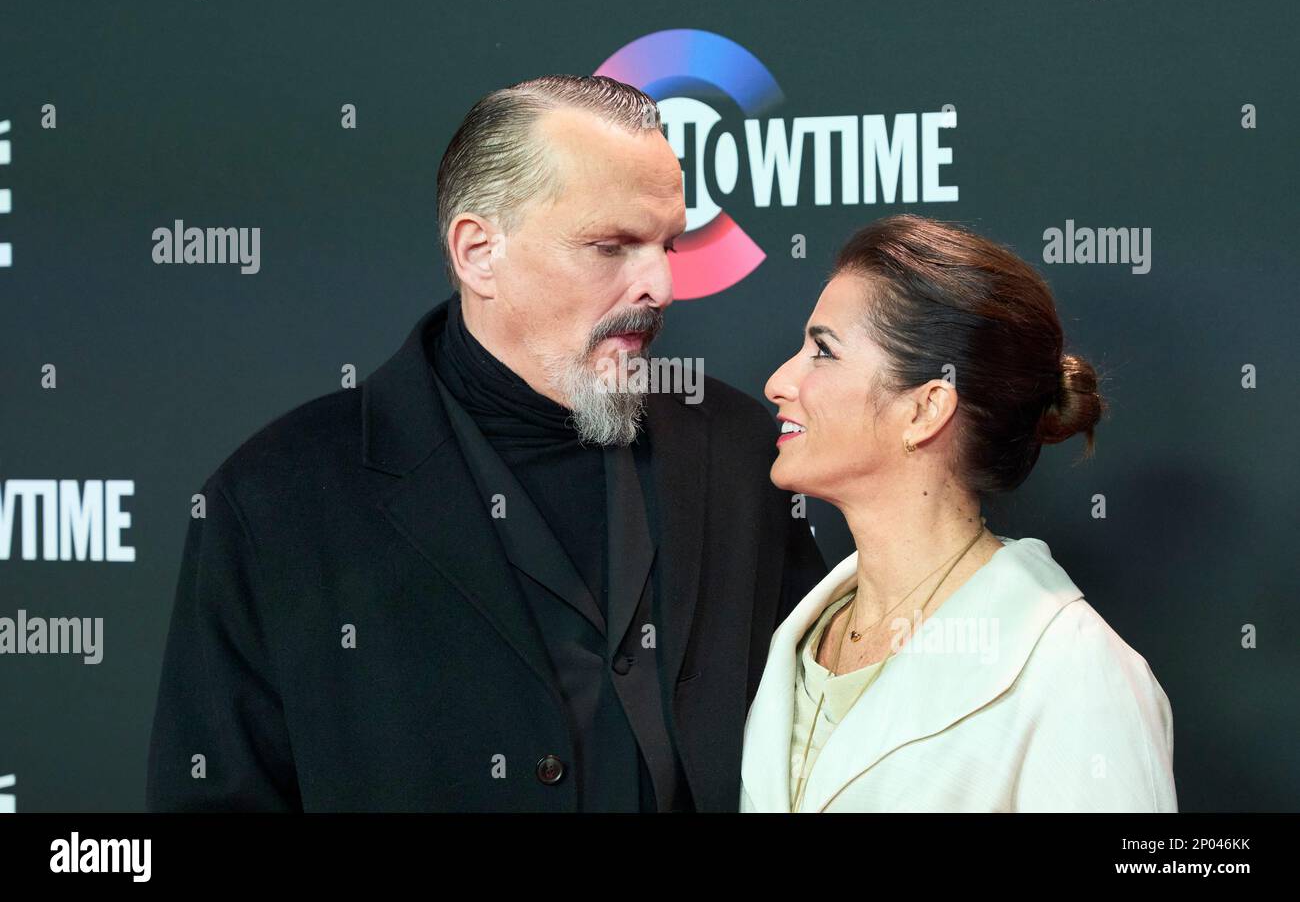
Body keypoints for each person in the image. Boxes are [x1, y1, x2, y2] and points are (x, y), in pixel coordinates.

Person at [145, 74, 826, 812]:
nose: (661, 285)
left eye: (666, 244)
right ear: (478, 252)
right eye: (612, 246)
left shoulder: (737, 449)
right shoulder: (276, 499)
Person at [740, 214, 1177, 812]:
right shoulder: (796, 638)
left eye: (822, 351)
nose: (777, 381)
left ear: (925, 410)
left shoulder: (1077, 674)